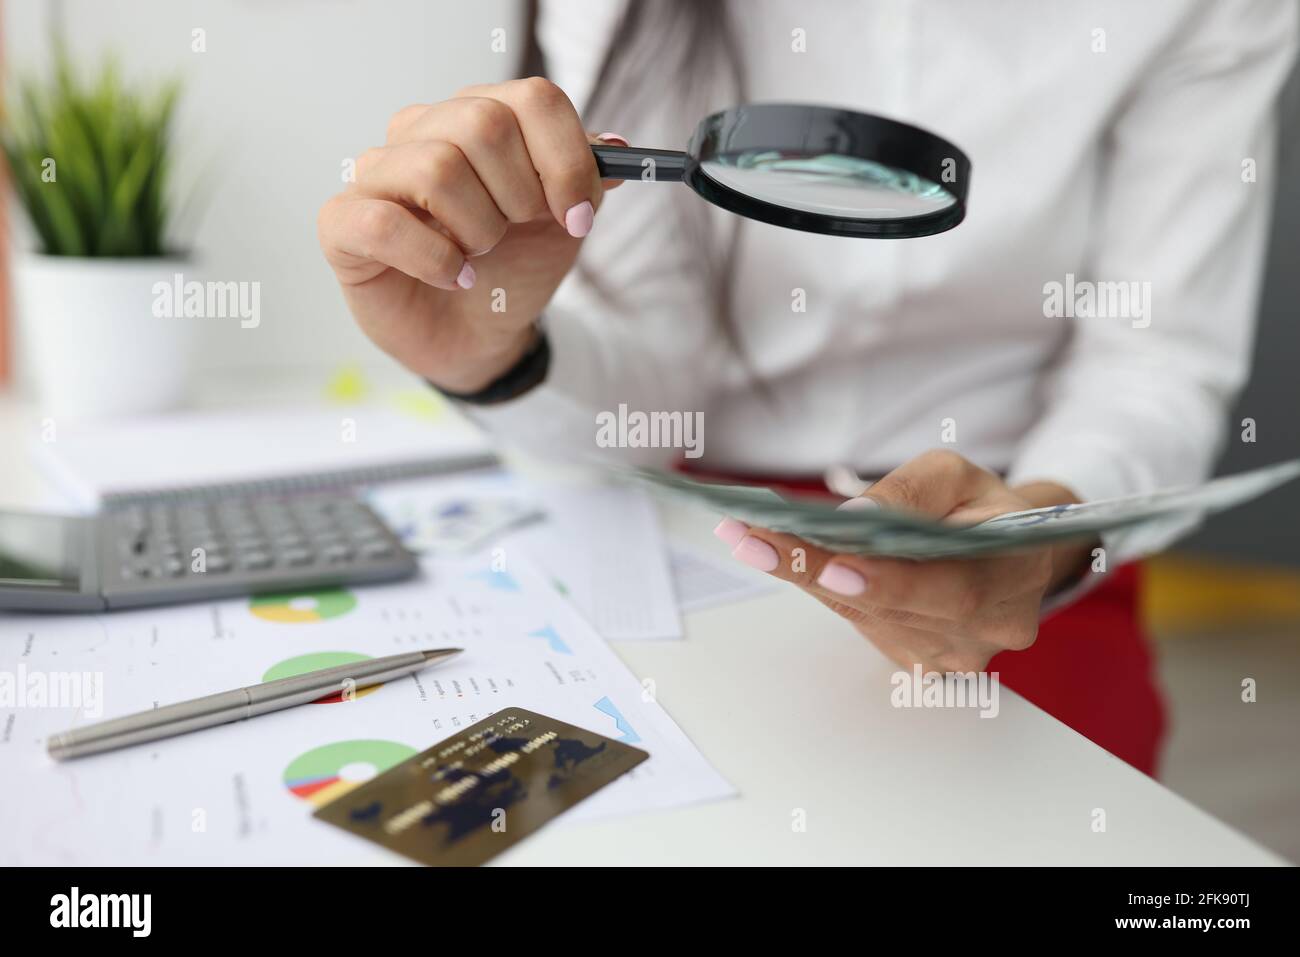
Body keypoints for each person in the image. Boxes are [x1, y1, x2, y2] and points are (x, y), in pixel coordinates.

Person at [317, 0, 1299, 776]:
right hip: (701, 535)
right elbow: (651, 387)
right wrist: (489, 355)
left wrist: (1034, 539)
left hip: (1026, 543)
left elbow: (1155, 363)